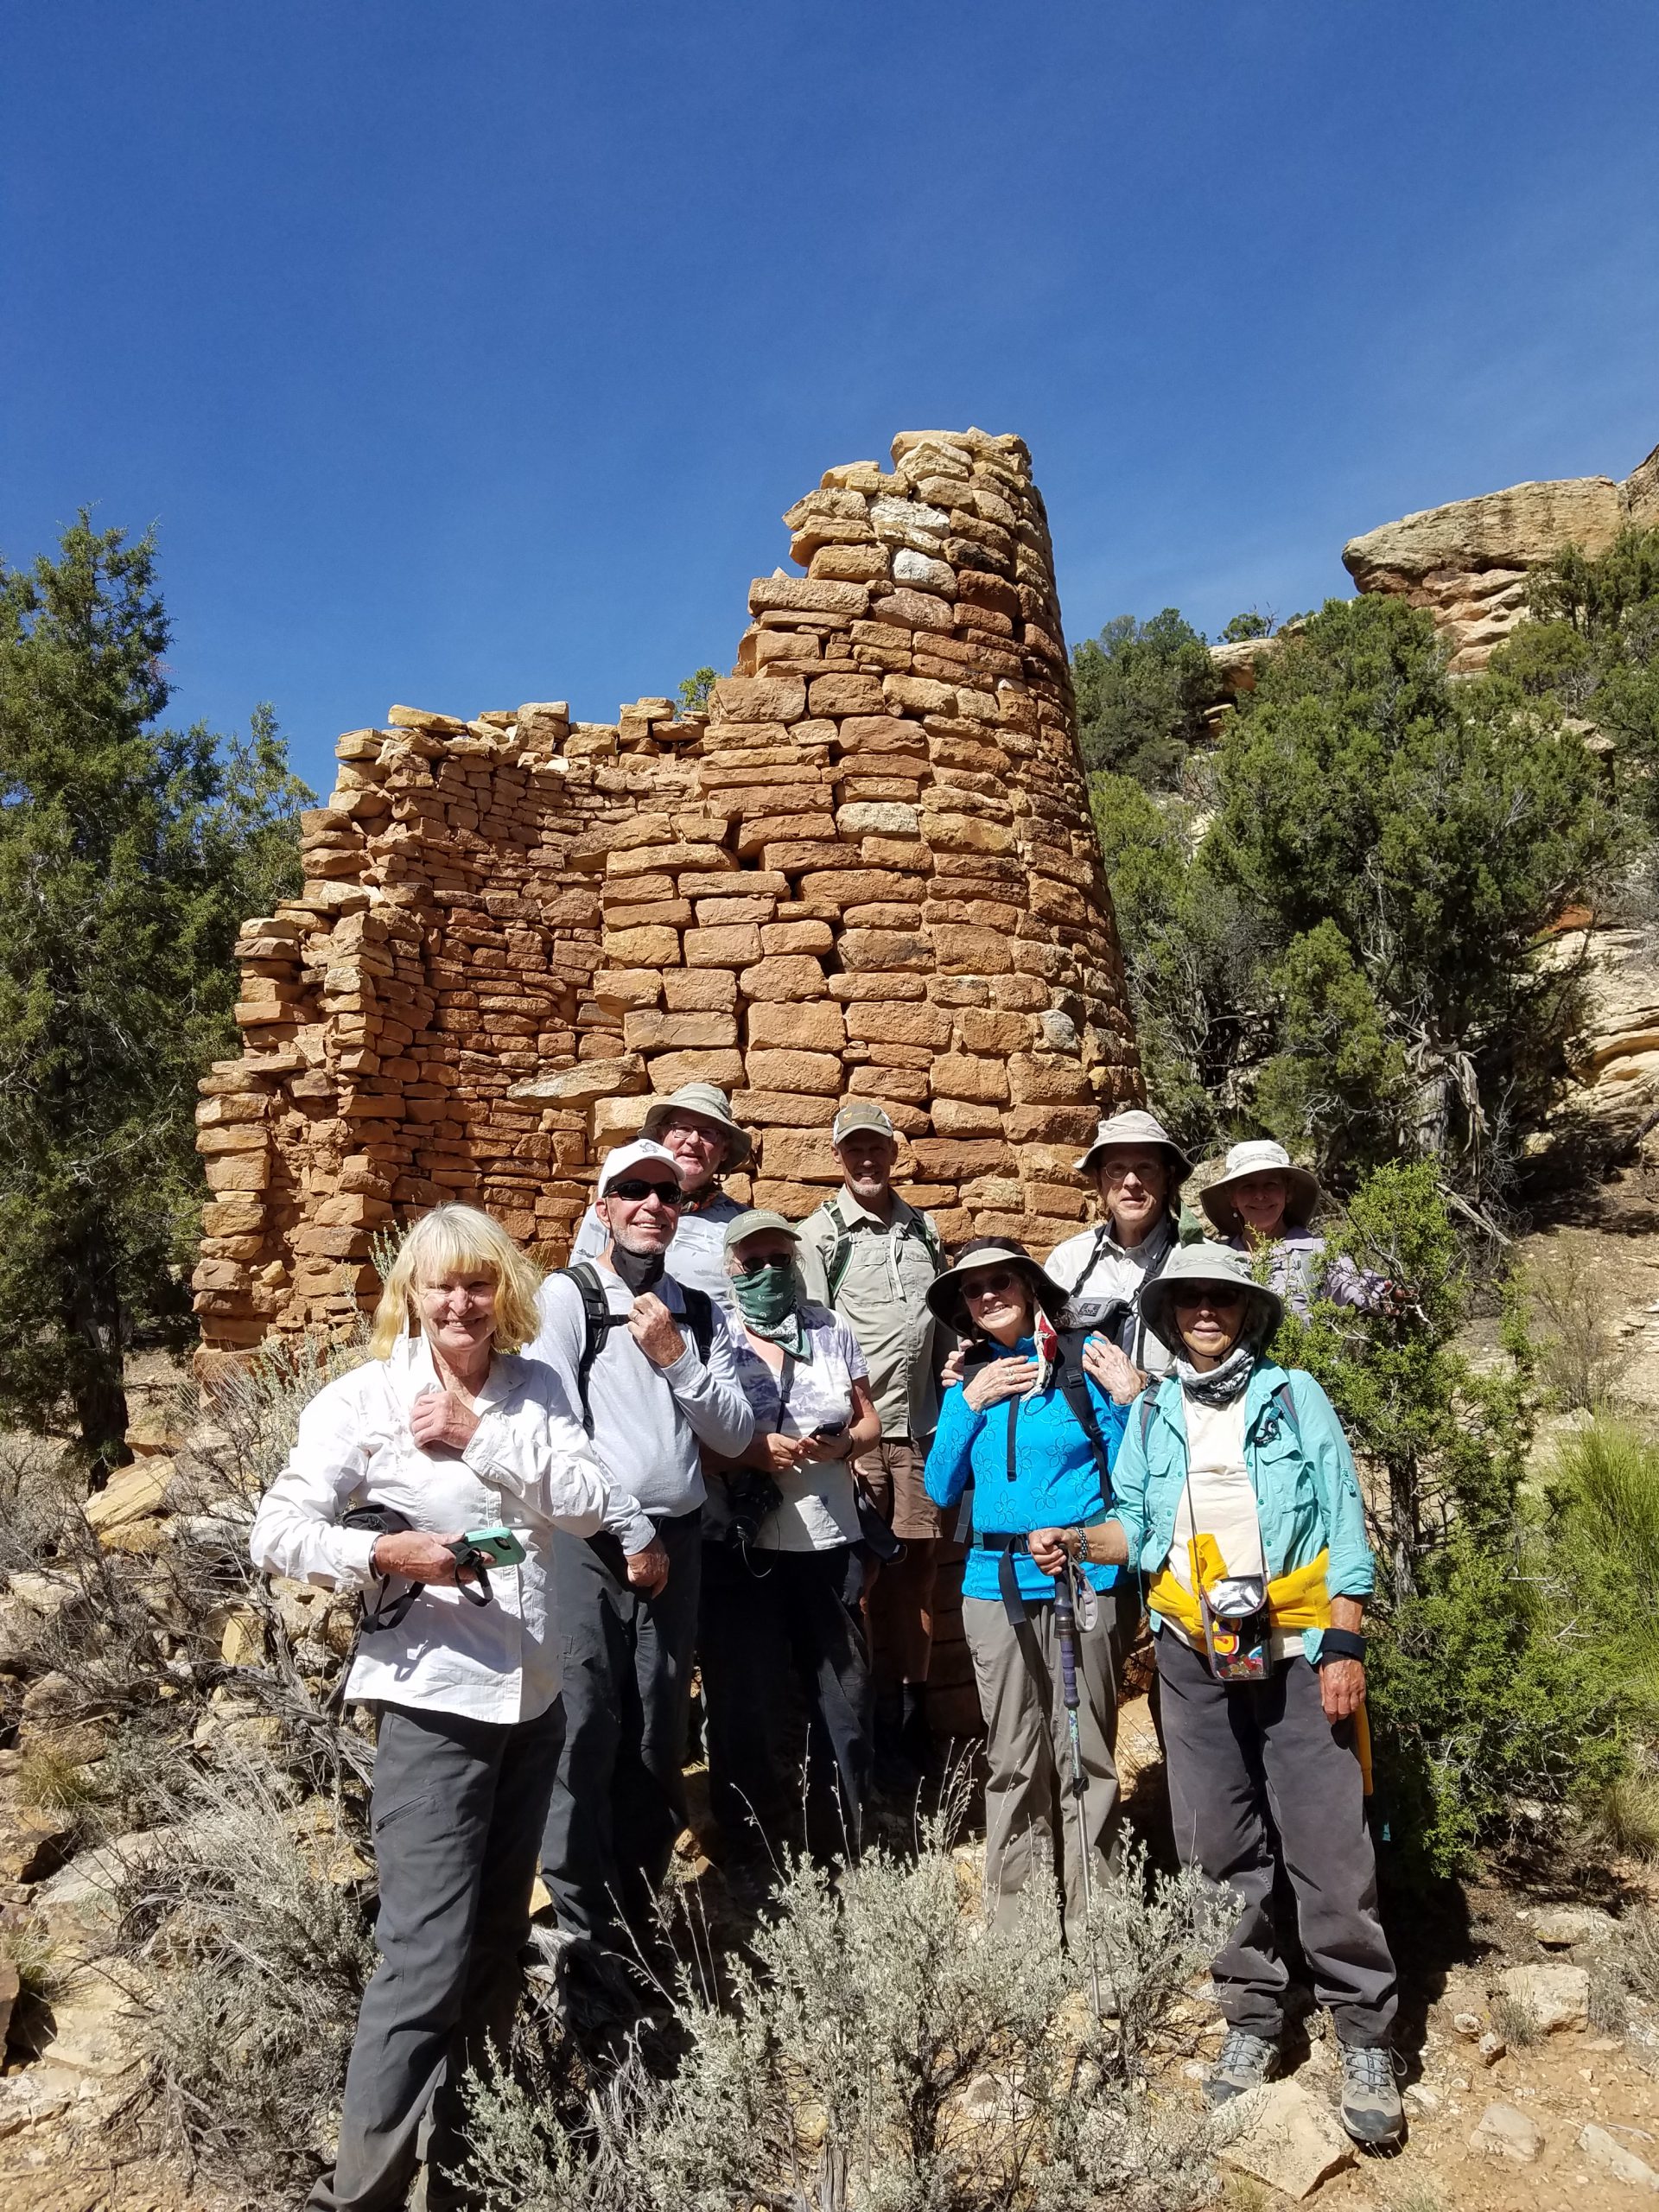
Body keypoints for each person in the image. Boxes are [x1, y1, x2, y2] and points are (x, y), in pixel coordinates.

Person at [249, 1205, 629, 2212]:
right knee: (424, 1957)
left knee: (499, 1946)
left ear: (501, 1290)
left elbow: (589, 1499)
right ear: (408, 1294)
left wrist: (484, 1440)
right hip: (431, 1706)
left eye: (476, 1283)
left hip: (531, 1699)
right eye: (438, 1285)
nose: (459, 1303)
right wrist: (379, 1551)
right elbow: (276, 1527)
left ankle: (468, 2173)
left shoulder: (534, 1387)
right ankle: (364, 2193)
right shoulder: (364, 1398)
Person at [1030, 1242, 1402, 2148]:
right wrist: (1080, 1540)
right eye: (1189, 1297)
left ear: (1247, 1310)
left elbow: (1345, 1518)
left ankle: (1364, 2034)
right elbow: (1140, 1525)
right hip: (1192, 1650)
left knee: (1326, 1837)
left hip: (1295, 1640)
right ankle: (1251, 2014)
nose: (1206, 1310)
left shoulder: (1294, 1394)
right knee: (1214, 1838)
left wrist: (1345, 1635)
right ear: (1168, 1313)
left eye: (1222, 1298)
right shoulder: (1155, 1410)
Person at [528, 1139, 754, 1965]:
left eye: (666, 1192)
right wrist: (627, 1529)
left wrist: (676, 1360)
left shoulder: (697, 1309)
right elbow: (553, 1431)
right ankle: (577, 1918)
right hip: (592, 1541)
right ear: (604, 1208)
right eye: (633, 1191)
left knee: (659, 1729)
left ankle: (634, 1908)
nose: (652, 1204)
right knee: (586, 1719)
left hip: (681, 1541)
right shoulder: (568, 1297)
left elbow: (732, 1431)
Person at [922, 1237, 1141, 1944]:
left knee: (1086, 1752)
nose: (988, 1295)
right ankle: (1021, 1935)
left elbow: (1131, 1463)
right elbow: (939, 1487)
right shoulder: (971, 1379)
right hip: (993, 1582)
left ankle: (1096, 1925)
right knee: (1013, 1758)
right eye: (973, 1288)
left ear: (1029, 1285)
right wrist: (964, 1403)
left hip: (1081, 1576)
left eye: (1001, 1281)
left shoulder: (1079, 1363)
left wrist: (1133, 1397)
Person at [699, 1210, 881, 1861]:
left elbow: (869, 1423)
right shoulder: (712, 1334)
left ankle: (846, 1847)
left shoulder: (830, 1329)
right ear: (730, 1268)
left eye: (782, 1260)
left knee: (844, 1697)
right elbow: (692, 1446)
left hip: (830, 1545)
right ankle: (752, 1852)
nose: (771, 1273)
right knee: (745, 1703)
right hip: (746, 1553)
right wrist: (752, 1452)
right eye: (755, 1263)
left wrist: (842, 1446)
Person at [795, 1100, 949, 1781]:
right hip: (859, 1434)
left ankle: (911, 1719)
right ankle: (862, 1720)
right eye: (853, 1150)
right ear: (838, 1157)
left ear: (894, 1153)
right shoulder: (820, 1235)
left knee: (917, 1574)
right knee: (859, 1578)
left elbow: (941, 1320)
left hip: (919, 1428)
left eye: (876, 1148)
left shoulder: (923, 1231)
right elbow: (808, 1336)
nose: (866, 1161)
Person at [568, 1081, 752, 1309]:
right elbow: (580, 1291)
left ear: (724, 1150)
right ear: (661, 1136)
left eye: (708, 1133)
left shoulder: (743, 1225)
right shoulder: (615, 1208)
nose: (693, 1141)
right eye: (682, 1128)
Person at [1044, 1107, 1192, 1383]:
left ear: (1167, 1179)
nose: (1131, 1182)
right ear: (1100, 1182)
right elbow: (1035, 1346)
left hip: (1161, 1421)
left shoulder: (1194, 1262)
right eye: (1117, 1169)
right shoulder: (1068, 1260)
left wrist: (1143, 1389)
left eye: (1146, 1168)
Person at [1201, 1138, 1395, 1318]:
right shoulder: (1217, 1258)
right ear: (1232, 1197)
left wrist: (1386, 1294)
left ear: (1288, 1192)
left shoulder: (1318, 1253)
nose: (1260, 1195)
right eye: (1248, 1186)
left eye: (1271, 1184)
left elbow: (1354, 1282)